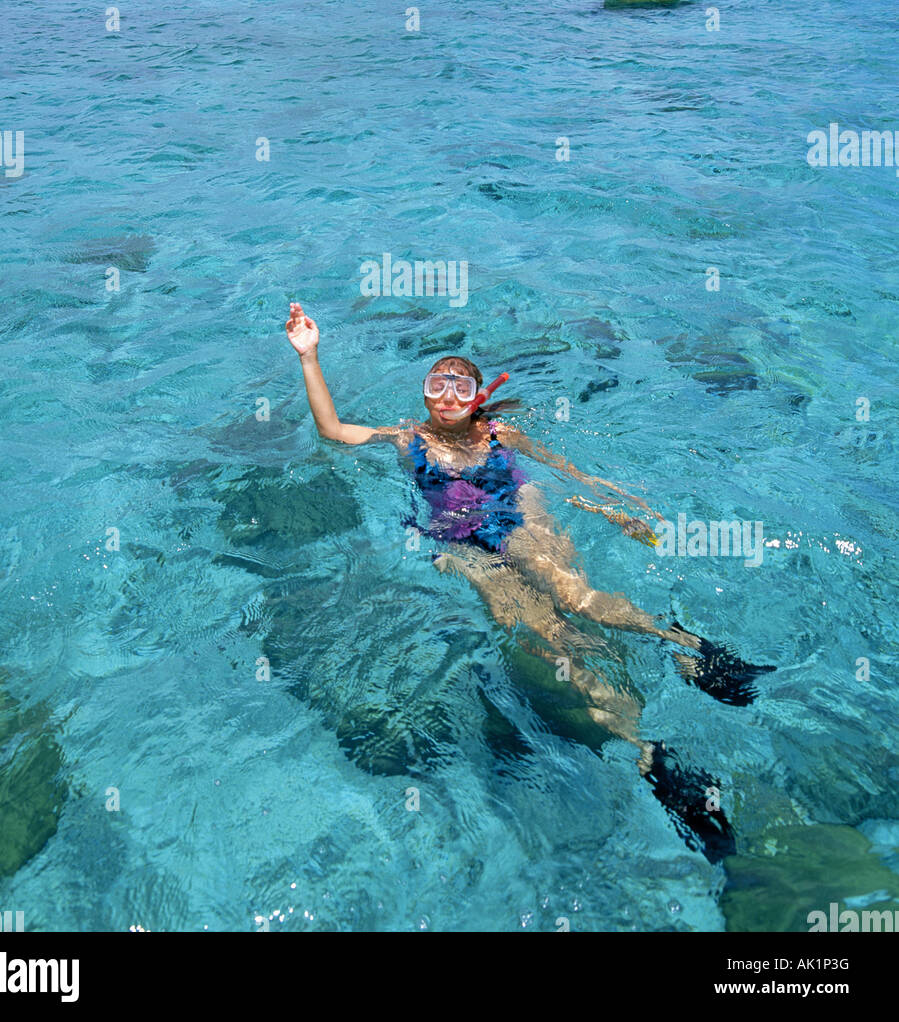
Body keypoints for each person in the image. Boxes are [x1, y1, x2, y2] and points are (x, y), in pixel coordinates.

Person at [285, 302, 774, 860]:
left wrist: (620, 508)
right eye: (436, 384)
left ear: (479, 398)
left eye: (460, 387)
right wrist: (310, 357)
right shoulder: (406, 438)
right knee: (540, 635)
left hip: (521, 517)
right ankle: (645, 750)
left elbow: (572, 473)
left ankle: (684, 643)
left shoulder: (500, 434)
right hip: (467, 546)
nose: (447, 395)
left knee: (573, 597)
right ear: (423, 394)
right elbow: (332, 431)